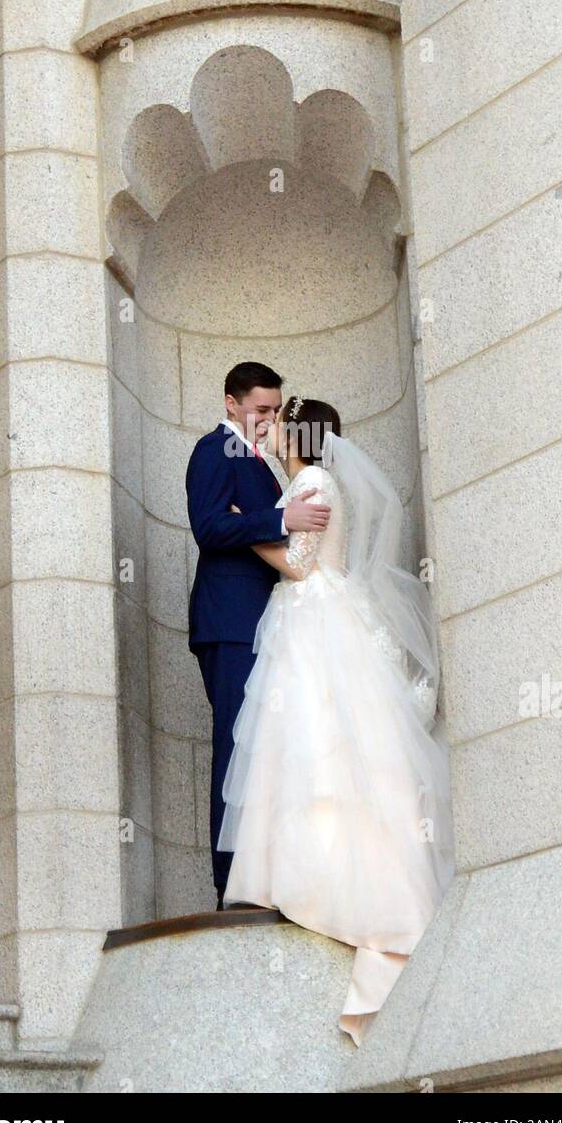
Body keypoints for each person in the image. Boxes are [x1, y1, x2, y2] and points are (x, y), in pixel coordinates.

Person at [217, 395, 456, 1046]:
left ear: (297, 435)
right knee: (328, 753)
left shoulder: (311, 483)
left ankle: (328, 889)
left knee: (313, 748)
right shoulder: (319, 481)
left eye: (277, 428)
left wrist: (254, 526)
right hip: (325, 616)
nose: (268, 437)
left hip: (312, 619)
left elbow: (298, 563)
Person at [185, 364, 333, 910]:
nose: (269, 420)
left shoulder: (261, 465)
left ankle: (263, 875)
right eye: (260, 410)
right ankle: (230, 886)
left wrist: (277, 513)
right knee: (234, 745)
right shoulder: (211, 450)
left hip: (262, 623)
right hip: (229, 622)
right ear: (230, 403)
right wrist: (279, 518)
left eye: (275, 411)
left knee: (260, 749)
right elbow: (208, 526)